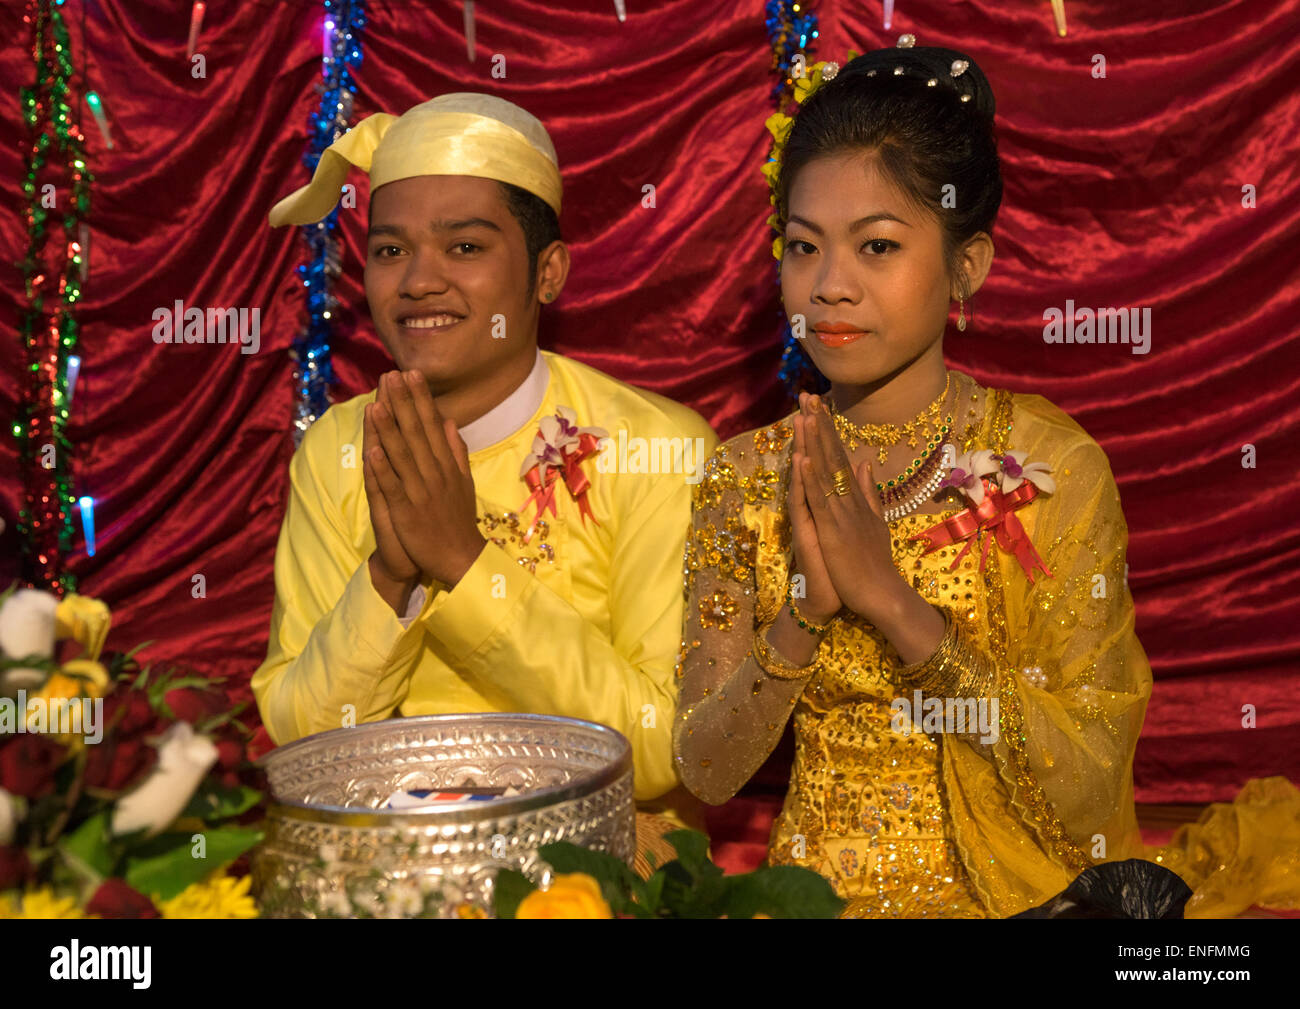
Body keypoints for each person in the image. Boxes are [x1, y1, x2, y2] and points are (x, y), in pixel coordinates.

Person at [672, 38, 1300, 918]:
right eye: (803, 247)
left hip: (1017, 899)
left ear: (967, 267)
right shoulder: (743, 478)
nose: (830, 287)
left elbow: (1086, 782)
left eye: (878, 246)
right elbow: (704, 765)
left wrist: (898, 607)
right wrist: (802, 617)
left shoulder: (1053, 471)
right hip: (809, 898)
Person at [252, 93, 718, 850]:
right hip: (389, 876)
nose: (418, 282)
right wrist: (389, 578)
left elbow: (664, 744)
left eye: (464, 247)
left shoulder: (656, 448)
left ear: (548, 272)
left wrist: (463, 565)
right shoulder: (340, 450)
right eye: (391, 249)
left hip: (595, 879)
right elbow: (301, 739)